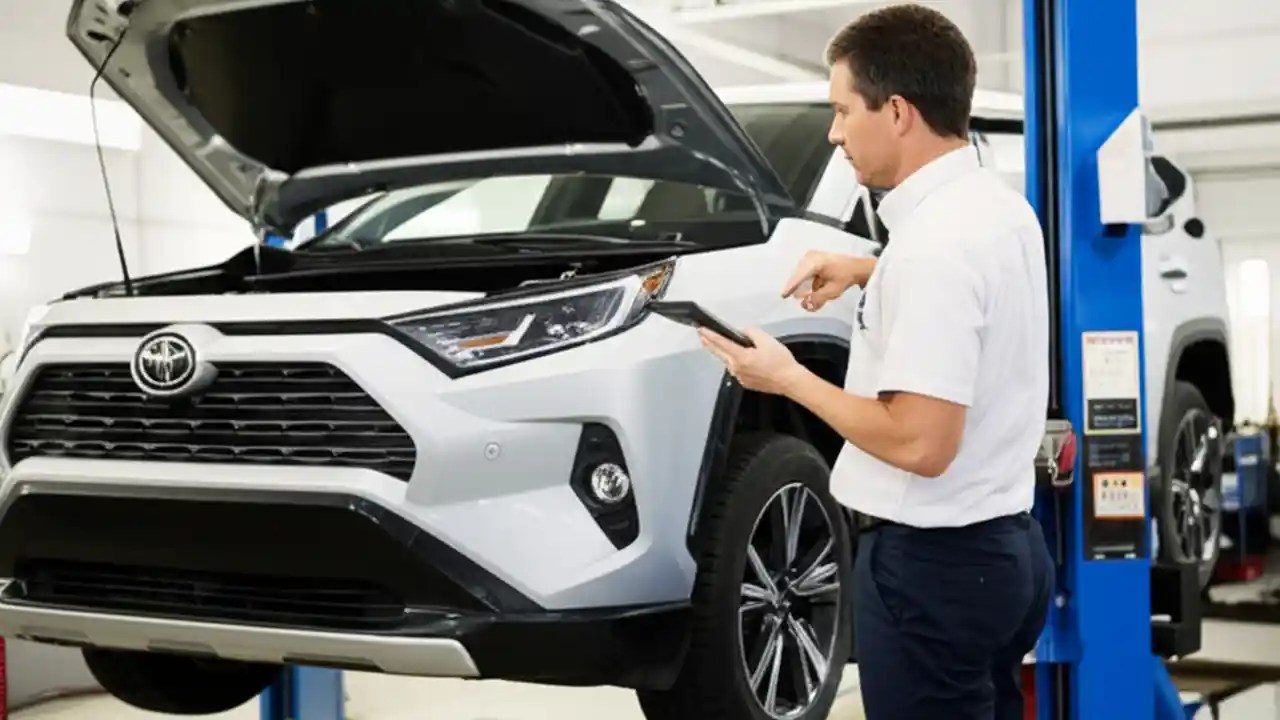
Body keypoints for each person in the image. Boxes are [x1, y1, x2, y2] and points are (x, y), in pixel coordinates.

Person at [696, 4, 1054, 719]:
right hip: (1007, 554)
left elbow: (922, 443)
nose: (834, 134)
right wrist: (870, 270)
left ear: (896, 112)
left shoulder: (934, 248)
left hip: (933, 571)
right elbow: (970, 306)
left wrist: (787, 378)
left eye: (842, 110)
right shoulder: (995, 210)